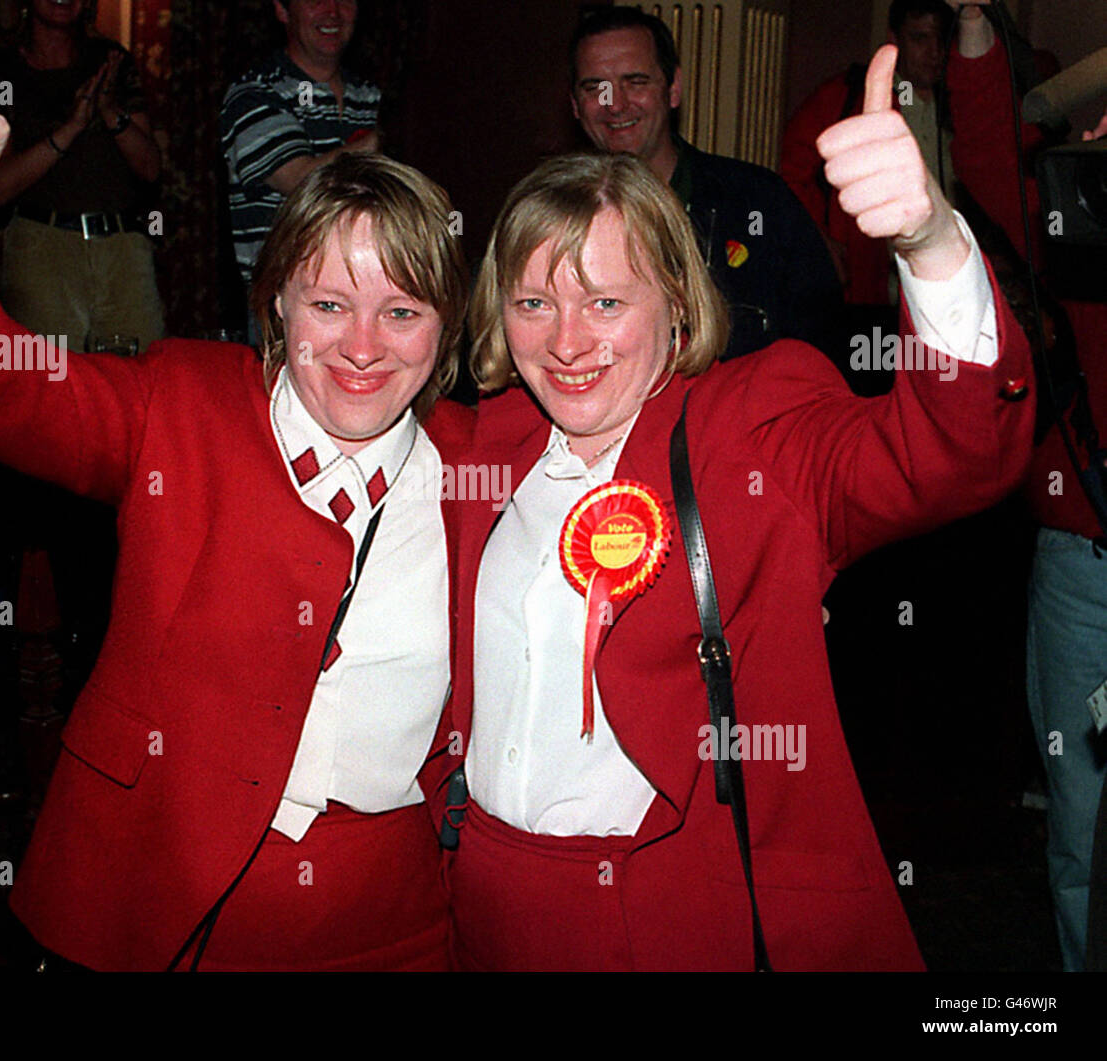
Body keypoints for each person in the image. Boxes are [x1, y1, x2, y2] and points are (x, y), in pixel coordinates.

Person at [424, 45, 1035, 971]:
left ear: (674, 300)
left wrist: (929, 240)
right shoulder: (482, 447)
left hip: (674, 909)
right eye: (534, 302)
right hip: (485, 909)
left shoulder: (749, 426)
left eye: (605, 300)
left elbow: (949, 456)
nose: (567, 340)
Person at [0, 72, 472, 971]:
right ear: (277, 302)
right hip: (156, 901)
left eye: (402, 311)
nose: (362, 347)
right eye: (328, 303)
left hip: (386, 917)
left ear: (445, 329)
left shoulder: (484, 466)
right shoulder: (180, 405)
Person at [944, 0, 1107, 973]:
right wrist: (972, 21)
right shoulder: (1087, 218)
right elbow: (996, 166)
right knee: (1084, 825)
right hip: (1087, 557)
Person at [568, 6, 842, 363]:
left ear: (673, 89)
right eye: (596, 88)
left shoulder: (758, 202)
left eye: (636, 82)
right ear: (575, 105)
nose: (615, 104)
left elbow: (822, 347)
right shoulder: (555, 217)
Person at [0, 0, 165, 353]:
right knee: (51, 388)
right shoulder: (1, 71)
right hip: (43, 251)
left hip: (123, 248)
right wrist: (71, 128)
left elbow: (150, 167)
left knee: (140, 383)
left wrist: (109, 112)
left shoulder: (111, 61)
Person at [221, 0, 380, 343]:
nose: (333, 12)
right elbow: (299, 179)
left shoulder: (371, 94)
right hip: (285, 304)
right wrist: (384, 142)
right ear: (281, 10)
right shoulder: (255, 92)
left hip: (369, 300)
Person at [782, 0, 956, 307]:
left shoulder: (964, 104)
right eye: (919, 39)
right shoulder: (847, 96)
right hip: (868, 289)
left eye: (941, 40)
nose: (934, 52)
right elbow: (789, 174)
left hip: (943, 283)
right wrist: (820, 242)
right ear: (895, 39)